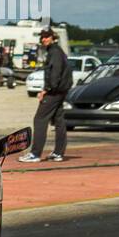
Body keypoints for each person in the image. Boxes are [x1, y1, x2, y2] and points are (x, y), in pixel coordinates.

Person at [19, 28, 72, 163]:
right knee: (59, 120)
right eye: (42, 37)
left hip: (54, 92)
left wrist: (46, 90)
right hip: (61, 91)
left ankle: (35, 154)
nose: (44, 39)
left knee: (39, 119)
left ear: (53, 38)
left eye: (47, 36)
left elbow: (55, 73)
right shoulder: (58, 52)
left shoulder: (54, 52)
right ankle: (58, 153)